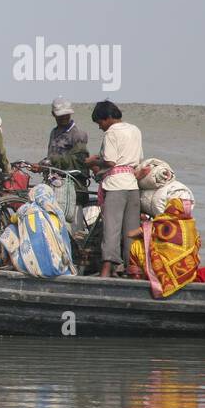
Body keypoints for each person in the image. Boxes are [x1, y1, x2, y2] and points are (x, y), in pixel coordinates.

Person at [86, 100, 143, 278]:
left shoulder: (111, 133)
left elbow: (110, 161)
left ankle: (106, 270)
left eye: (100, 123)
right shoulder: (135, 130)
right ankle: (132, 270)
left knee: (111, 229)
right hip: (132, 186)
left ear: (108, 118)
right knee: (131, 232)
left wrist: (92, 161)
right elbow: (138, 160)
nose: (100, 127)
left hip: (116, 186)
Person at [125, 197, 202, 298]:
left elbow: (130, 234)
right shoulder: (191, 225)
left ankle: (137, 277)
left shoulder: (159, 222)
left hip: (160, 269)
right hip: (185, 272)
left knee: (136, 245)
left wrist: (146, 232)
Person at [0, 183, 76, 277]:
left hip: (33, 267)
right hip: (59, 267)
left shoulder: (25, 210)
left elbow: (12, 219)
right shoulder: (57, 213)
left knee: (11, 229)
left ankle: (8, 262)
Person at [44, 97, 89, 174]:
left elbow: (79, 160)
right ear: (53, 114)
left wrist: (51, 161)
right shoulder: (54, 132)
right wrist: (42, 164)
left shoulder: (78, 135)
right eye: (61, 115)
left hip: (71, 179)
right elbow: (52, 156)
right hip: (54, 178)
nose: (64, 117)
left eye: (66, 114)